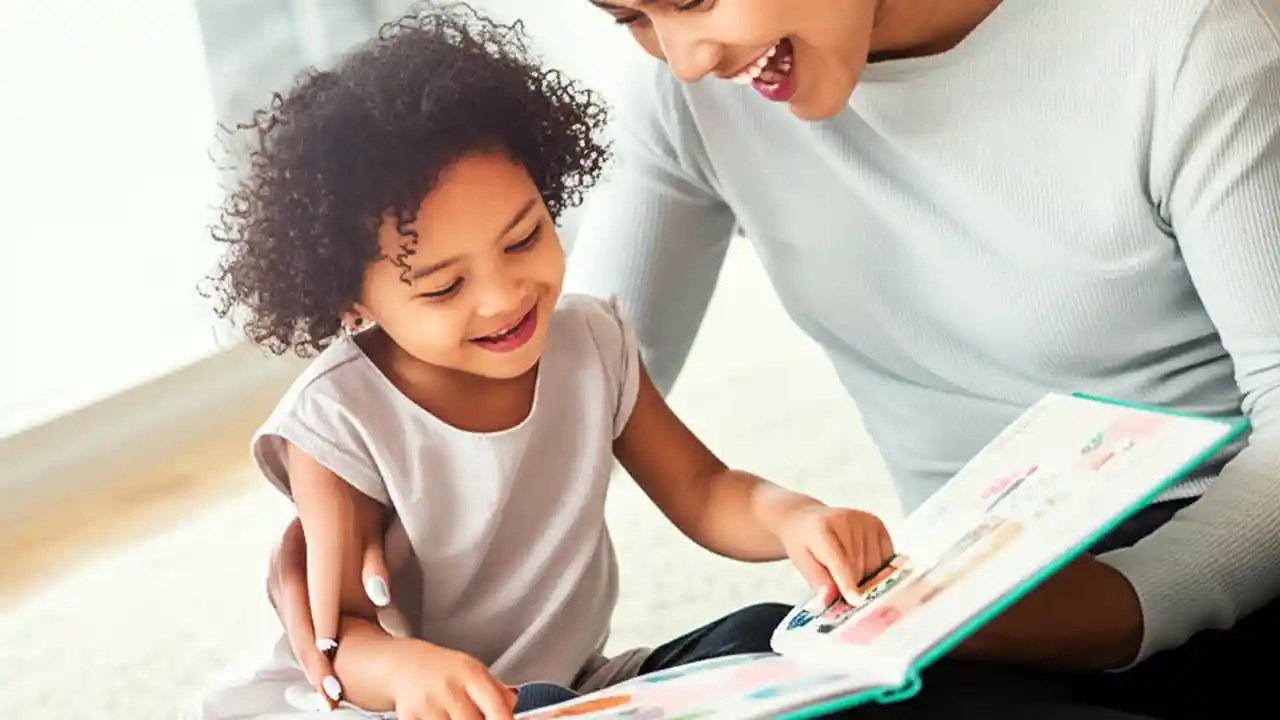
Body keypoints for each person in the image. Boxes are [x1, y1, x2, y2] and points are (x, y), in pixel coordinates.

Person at [271, 0, 1280, 717]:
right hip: (953, 604)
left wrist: (1125, 606)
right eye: (629, 17)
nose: (683, 55)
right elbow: (556, 377)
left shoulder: (1183, 37)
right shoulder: (695, 98)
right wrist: (357, 508)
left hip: (1206, 552)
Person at [184, 4, 897, 719]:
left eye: (524, 238)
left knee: (763, 632)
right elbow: (337, 638)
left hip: (566, 689)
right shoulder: (339, 418)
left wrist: (797, 520)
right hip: (393, 709)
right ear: (351, 304)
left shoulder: (593, 341)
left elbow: (704, 488)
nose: (503, 299)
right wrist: (408, 672)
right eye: (444, 286)